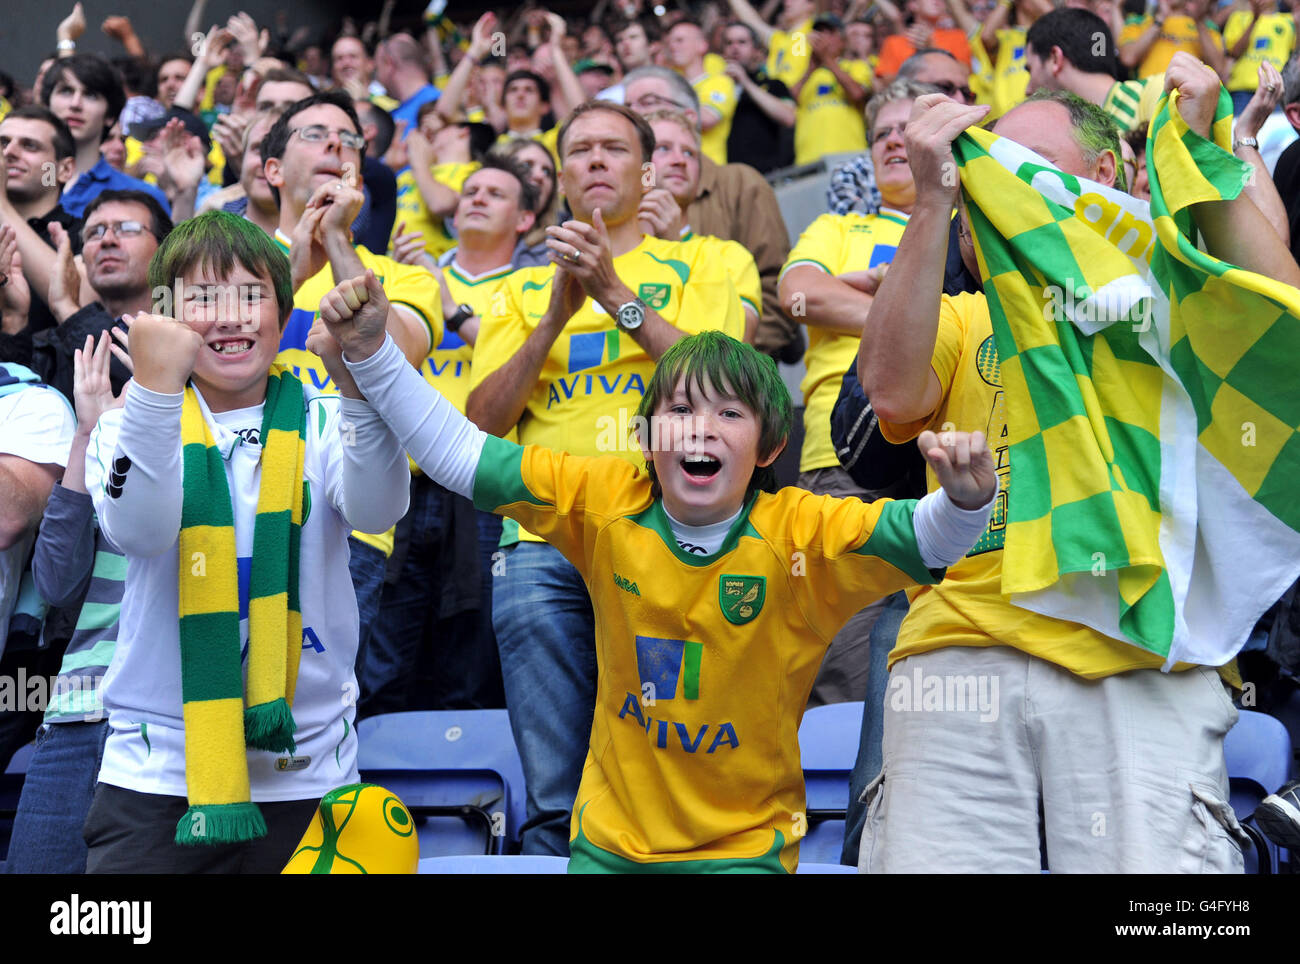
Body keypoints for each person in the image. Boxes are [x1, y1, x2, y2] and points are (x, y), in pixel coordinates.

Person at [324, 273, 997, 871]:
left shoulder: (803, 536)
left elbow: (931, 539)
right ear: (645, 439)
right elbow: (456, 451)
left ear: (770, 446)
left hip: (746, 856)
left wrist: (969, 497)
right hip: (608, 852)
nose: (700, 430)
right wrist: (374, 355)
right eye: (679, 410)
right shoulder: (604, 502)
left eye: (729, 413)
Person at [857, 62, 1288, 872]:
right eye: (975, 173)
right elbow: (888, 389)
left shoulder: (1173, 304)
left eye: (1014, 167)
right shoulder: (961, 313)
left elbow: (1278, 314)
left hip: (1144, 655)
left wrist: (1202, 149)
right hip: (960, 657)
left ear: (1104, 178)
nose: (994, 192)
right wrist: (932, 199)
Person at [81, 211, 410, 873]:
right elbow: (140, 531)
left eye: (251, 295)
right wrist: (151, 390)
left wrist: (354, 384)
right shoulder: (128, 425)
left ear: (283, 311)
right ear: (167, 317)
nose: (230, 318)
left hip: (310, 773)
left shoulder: (324, 416)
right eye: (203, 298)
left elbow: (382, 505)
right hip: (157, 776)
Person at [463, 101, 750, 856]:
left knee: (671, 760)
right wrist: (555, 318)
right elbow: (483, 422)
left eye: (614, 149)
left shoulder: (708, 262)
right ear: (559, 177)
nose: (596, 160)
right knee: (556, 792)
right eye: (580, 149)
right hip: (538, 539)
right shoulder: (516, 291)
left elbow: (724, 384)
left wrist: (614, 296)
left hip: (664, 533)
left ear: (647, 171)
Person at [260, 91, 443, 652]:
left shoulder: (403, 277)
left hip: (353, 516)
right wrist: (291, 266)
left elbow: (398, 354)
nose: (335, 143)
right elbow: (203, 358)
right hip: (237, 501)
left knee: (324, 708)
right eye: (313, 134)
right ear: (272, 168)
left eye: (349, 139)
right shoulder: (231, 261)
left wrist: (337, 238)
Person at [362, 157, 541, 719]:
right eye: (470, 190)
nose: (477, 198)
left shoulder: (534, 286)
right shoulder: (407, 274)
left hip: (481, 481)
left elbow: (530, 363)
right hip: (403, 481)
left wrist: (448, 308)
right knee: (384, 651)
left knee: (472, 649)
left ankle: (469, 797)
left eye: (496, 192)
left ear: (526, 218)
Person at [779, 80, 930, 708]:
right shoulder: (840, 225)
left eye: (907, 128)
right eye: (880, 134)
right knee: (849, 669)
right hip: (844, 462)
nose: (893, 140)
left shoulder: (968, 225)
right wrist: (914, 312)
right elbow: (799, 297)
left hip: (956, 465)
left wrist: (871, 296)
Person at [5, 331, 125, 874]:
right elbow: (56, 582)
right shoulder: (109, 443)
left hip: (173, 720)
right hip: (77, 709)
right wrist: (87, 434)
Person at [625, 66, 801, 363]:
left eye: (648, 102)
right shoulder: (614, 222)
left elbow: (777, 289)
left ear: (689, 119)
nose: (632, 116)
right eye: (627, 107)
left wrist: (744, 372)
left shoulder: (740, 186)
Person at [38, 189, 173, 402]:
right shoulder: (57, 341)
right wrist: (13, 319)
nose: (107, 240)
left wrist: (67, 308)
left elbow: (134, 387)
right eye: (94, 233)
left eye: (127, 229)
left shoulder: (186, 331)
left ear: (164, 250)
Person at [642, 109, 761, 343]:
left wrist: (673, 251)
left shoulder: (730, 256)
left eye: (690, 153)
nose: (680, 161)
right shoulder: (606, 257)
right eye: (663, 148)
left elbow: (734, 350)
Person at [826, 49, 973, 218]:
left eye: (967, 93)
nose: (960, 101)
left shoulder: (972, 163)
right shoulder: (855, 176)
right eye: (945, 88)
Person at [40, 54, 169, 218]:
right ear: (47, 103)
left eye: (90, 95)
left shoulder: (142, 197)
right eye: (66, 91)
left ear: (110, 115)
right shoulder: (15, 182)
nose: (75, 104)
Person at [0, 106, 81, 342]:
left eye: (29, 145)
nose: (9, 152)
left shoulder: (84, 234)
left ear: (64, 169)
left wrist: (1, 204)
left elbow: (78, 303)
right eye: (2, 142)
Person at [1026, 8, 1164, 133]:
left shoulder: (1160, 93)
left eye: (1030, 69)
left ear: (1055, 59)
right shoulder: (1068, 137)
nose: (1027, 90)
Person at [792, 14, 874, 166]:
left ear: (842, 41)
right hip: (808, 158)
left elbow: (857, 94)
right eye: (819, 32)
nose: (822, 38)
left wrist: (826, 59)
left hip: (849, 154)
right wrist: (810, 68)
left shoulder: (856, 67)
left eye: (829, 32)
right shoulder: (807, 74)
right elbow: (790, 103)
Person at [721, 20, 796, 173]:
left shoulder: (774, 84)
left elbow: (789, 117)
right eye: (729, 43)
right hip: (728, 177)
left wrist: (745, 83)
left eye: (742, 42)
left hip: (766, 173)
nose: (735, 48)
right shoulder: (716, 86)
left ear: (756, 49)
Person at [663, 18, 738, 165]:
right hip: (677, 168)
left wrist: (663, 102)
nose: (672, 46)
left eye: (680, 40)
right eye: (670, 42)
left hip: (710, 170)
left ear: (702, 45)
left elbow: (707, 119)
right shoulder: (669, 86)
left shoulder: (720, 82)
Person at [1119, 0, 1227, 82]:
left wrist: (1198, 22)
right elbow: (1128, 58)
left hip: (1188, 96)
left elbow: (1219, 68)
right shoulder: (1138, 21)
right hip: (1147, 96)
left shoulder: (1208, 28)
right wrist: (1160, 18)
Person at [1222, 0, 1297, 114]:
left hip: (1277, 91)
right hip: (1242, 91)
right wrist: (1255, 19)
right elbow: (1234, 53)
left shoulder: (1289, 20)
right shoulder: (1238, 17)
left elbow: (1296, 53)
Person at [875, 0, 973, 79]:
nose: (937, 1)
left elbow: (964, 73)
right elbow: (885, 82)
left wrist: (932, 49)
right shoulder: (894, 42)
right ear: (913, 5)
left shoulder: (957, 36)